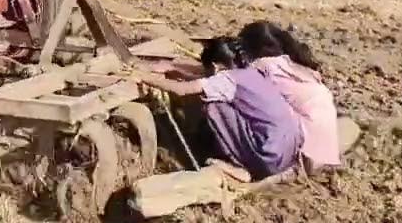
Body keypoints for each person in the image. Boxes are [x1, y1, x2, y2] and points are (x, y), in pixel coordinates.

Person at [132, 36, 303, 181]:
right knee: (213, 94)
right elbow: (206, 82)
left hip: (267, 157)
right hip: (287, 151)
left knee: (213, 104)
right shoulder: (250, 72)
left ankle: (244, 168)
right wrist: (175, 70)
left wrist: (144, 77)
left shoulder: (226, 79)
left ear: (215, 66)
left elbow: (182, 90)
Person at [237, 21, 341, 172]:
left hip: (302, 153)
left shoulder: (264, 66)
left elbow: (236, 86)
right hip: (326, 153)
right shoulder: (295, 65)